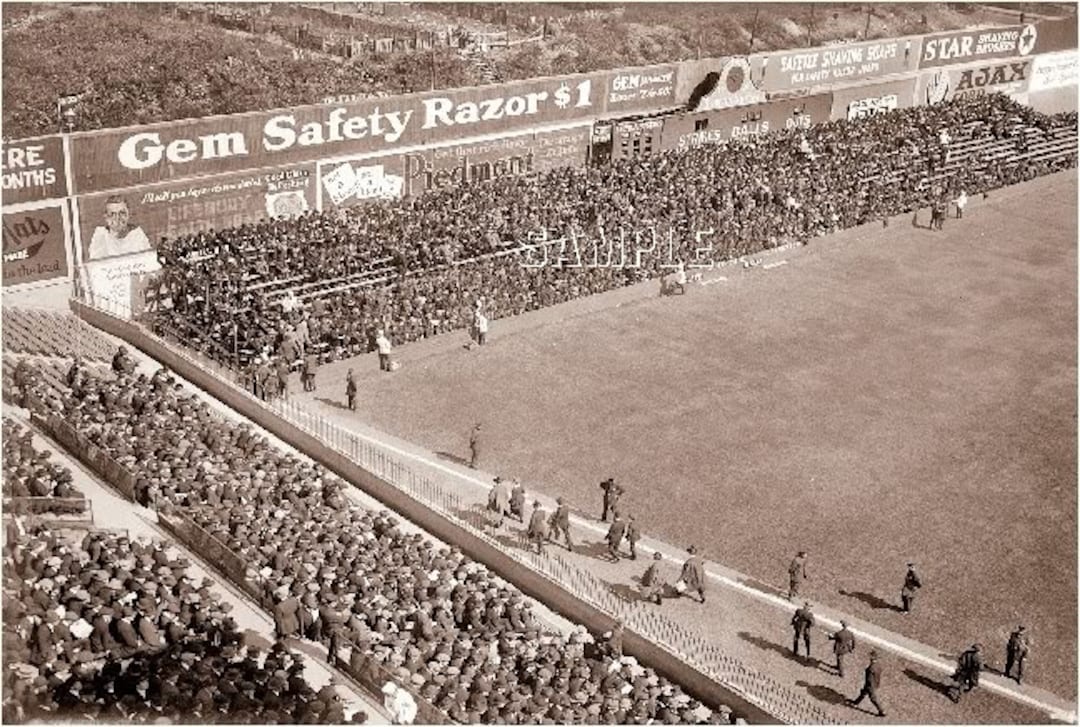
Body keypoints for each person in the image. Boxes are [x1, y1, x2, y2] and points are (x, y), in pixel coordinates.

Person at [87, 196, 152, 261]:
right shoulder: (100, 235)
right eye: (112, 214)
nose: (117, 218)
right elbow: (96, 266)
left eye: (122, 213)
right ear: (106, 217)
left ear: (128, 214)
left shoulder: (137, 234)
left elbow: (147, 261)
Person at [847, 650, 886, 717]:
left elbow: (869, 679)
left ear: (872, 658)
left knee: (873, 698)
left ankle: (882, 711)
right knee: (863, 693)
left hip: (870, 686)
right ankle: (856, 702)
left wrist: (868, 686)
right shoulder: (878, 665)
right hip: (875, 683)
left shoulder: (871, 668)